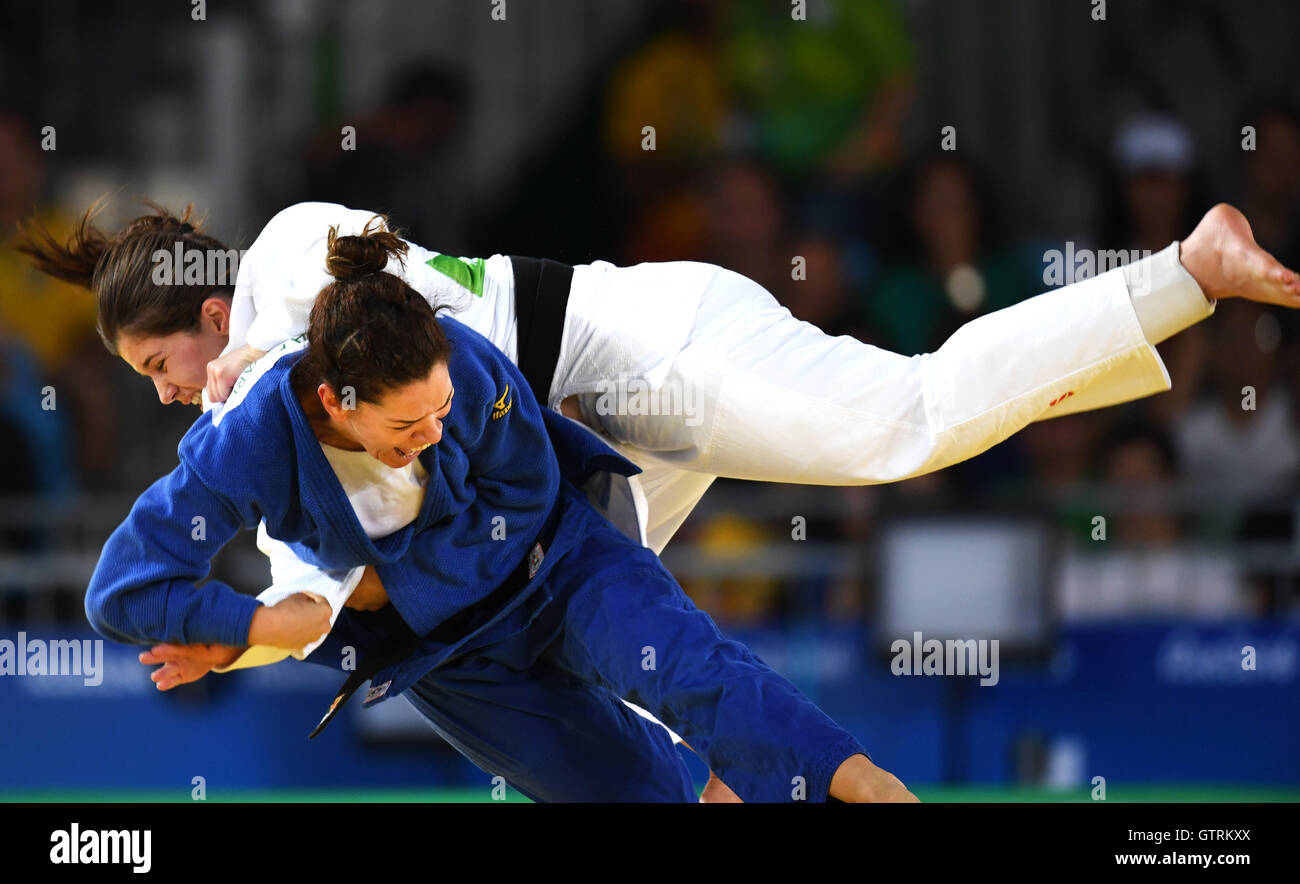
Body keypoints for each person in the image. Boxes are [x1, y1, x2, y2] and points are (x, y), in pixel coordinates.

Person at [85, 222, 910, 804]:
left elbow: (524, 495)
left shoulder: (465, 363)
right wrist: (235, 629)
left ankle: (867, 785)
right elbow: (141, 593)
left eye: (440, 413)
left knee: (692, 671)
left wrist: (396, 583)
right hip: (452, 657)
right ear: (341, 404)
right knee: (627, 789)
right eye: (408, 426)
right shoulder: (245, 445)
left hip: (557, 559)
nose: (434, 433)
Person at [18, 200, 1300, 557]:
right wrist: (217, 640)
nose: (166, 393)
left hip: (642, 350)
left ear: (206, 312)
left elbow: (328, 340)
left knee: (909, 419)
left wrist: (244, 387)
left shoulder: (294, 251)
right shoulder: (277, 420)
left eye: (155, 366)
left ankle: (1186, 266)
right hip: (600, 443)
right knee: (572, 667)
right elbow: (323, 591)